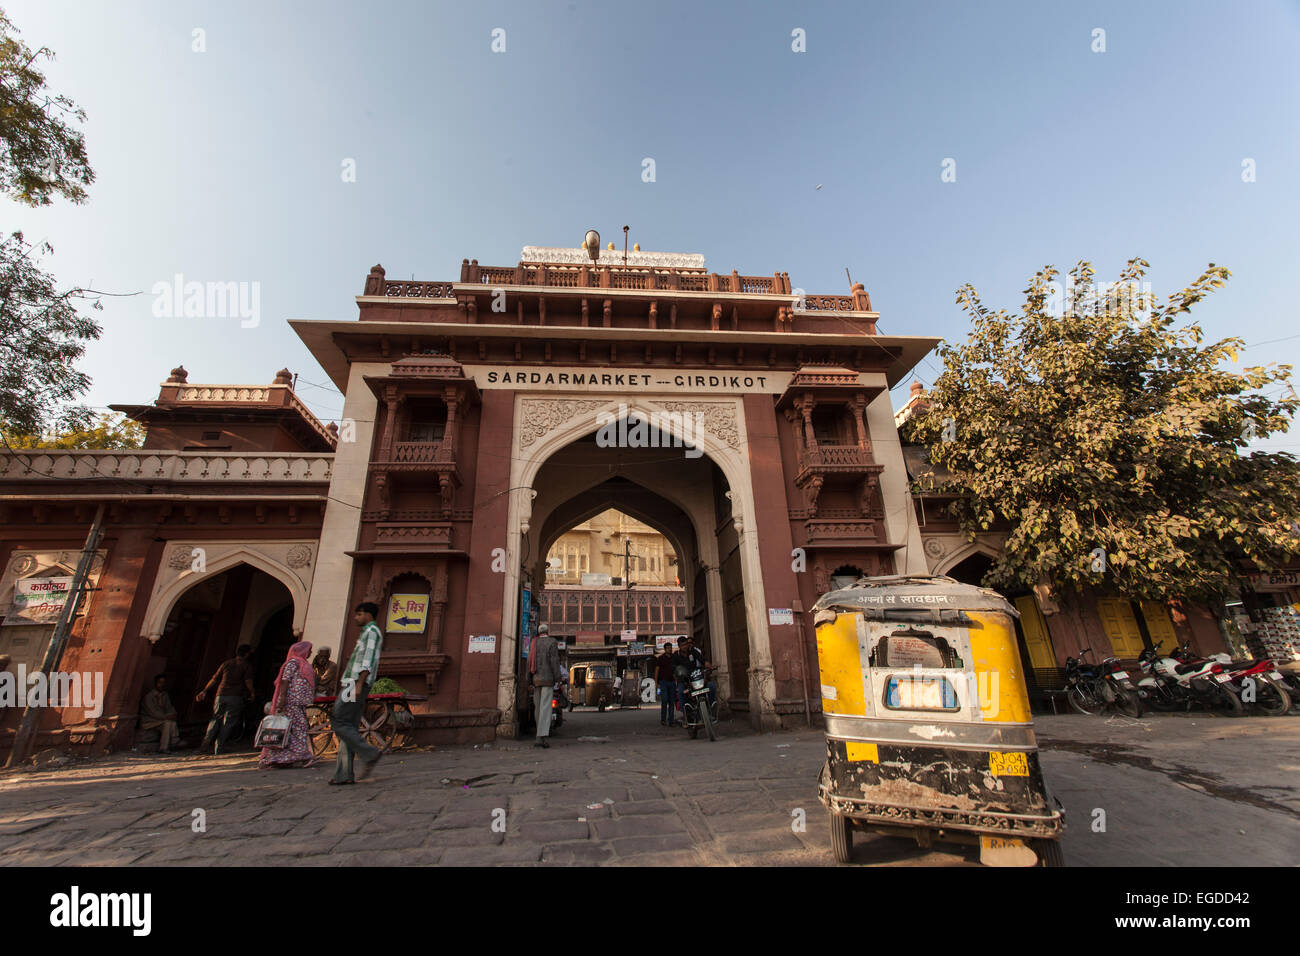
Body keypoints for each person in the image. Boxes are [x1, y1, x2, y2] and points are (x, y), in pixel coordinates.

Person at [329, 602, 385, 785]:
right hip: (353, 683)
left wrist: (359, 683)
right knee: (349, 726)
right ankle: (343, 774)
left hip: (354, 684)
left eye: (359, 614)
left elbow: (367, 660)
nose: (356, 618)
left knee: (339, 720)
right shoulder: (366, 632)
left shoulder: (371, 632)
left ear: (367, 615)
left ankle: (369, 753)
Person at [260, 641, 317, 769]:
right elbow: (285, 681)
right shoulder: (293, 663)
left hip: (298, 702)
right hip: (290, 702)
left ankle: (286, 758)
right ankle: (299, 755)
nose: (311, 653)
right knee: (295, 728)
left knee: (293, 729)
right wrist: (282, 700)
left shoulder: (302, 664)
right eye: (309, 650)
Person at [195, 644, 254, 755]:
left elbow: (215, 678)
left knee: (215, 718)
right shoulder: (245, 665)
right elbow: (248, 682)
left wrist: (205, 690)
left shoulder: (227, 663)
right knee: (228, 722)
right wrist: (252, 692)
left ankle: (205, 744)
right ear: (247, 654)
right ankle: (219, 747)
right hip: (235, 696)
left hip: (220, 695)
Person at [531, 623, 559, 749]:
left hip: (536, 678)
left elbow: (529, 661)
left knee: (537, 707)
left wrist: (528, 679)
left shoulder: (533, 643)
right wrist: (557, 677)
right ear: (548, 631)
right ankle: (541, 737)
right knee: (545, 708)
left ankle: (538, 735)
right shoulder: (551, 642)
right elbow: (554, 661)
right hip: (547, 679)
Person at [140, 675, 181, 753]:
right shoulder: (149, 697)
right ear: (155, 683)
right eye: (160, 682)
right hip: (149, 721)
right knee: (168, 722)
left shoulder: (164, 695)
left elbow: (169, 707)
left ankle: (170, 743)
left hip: (161, 720)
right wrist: (167, 717)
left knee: (170, 722)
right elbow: (153, 713)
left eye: (163, 683)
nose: (162, 685)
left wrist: (173, 714)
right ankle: (171, 742)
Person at [655, 642, 678, 726]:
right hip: (663, 682)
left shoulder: (674, 658)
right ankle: (663, 719)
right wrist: (656, 682)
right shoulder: (661, 658)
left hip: (672, 681)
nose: (670, 649)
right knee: (664, 700)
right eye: (668, 648)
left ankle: (671, 720)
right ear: (665, 649)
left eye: (670, 647)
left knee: (671, 701)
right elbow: (657, 670)